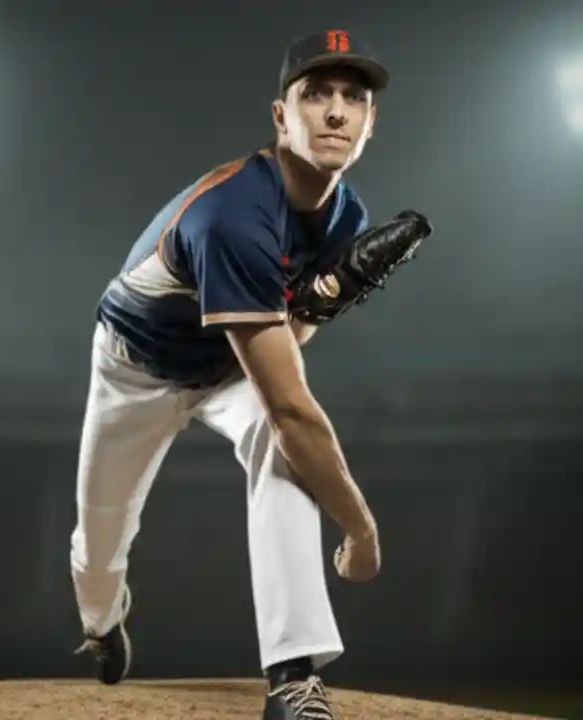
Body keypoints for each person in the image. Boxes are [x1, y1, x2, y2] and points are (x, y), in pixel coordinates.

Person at [70, 29, 394, 719]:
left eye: (353, 97)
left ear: (370, 123)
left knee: (288, 458)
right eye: (315, 94)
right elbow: (293, 407)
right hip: (136, 369)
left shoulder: (348, 216)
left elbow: (287, 339)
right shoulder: (232, 215)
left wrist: (322, 301)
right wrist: (360, 531)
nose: (336, 111)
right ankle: (101, 624)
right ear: (282, 117)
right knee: (101, 539)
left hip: (227, 367)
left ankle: (292, 676)